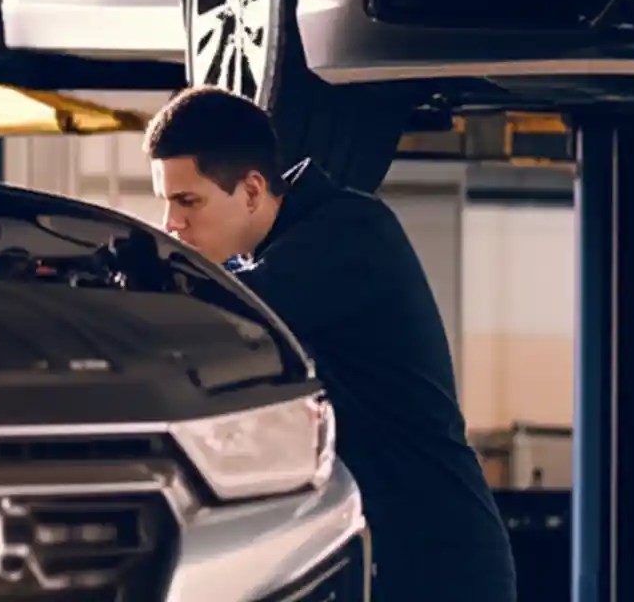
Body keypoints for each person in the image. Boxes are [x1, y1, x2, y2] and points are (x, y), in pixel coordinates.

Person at [144, 86, 516, 602]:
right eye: (166, 203)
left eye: (188, 201)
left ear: (252, 190)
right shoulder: (264, 259)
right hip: (372, 558)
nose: (172, 223)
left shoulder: (348, 234)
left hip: (437, 561)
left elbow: (219, 320)